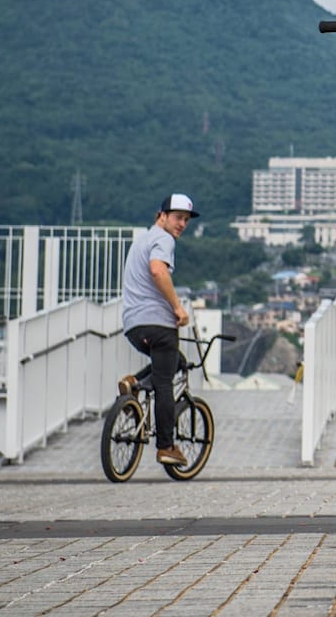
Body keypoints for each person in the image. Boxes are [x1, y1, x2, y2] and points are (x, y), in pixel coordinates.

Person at [117, 193, 197, 466]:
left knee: (174, 362)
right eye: (177, 218)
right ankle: (166, 447)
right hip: (158, 324)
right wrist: (178, 308)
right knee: (164, 383)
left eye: (186, 220)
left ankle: (134, 384)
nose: (182, 224)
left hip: (133, 326)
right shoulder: (163, 239)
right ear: (161, 216)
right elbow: (158, 271)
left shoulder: (142, 240)